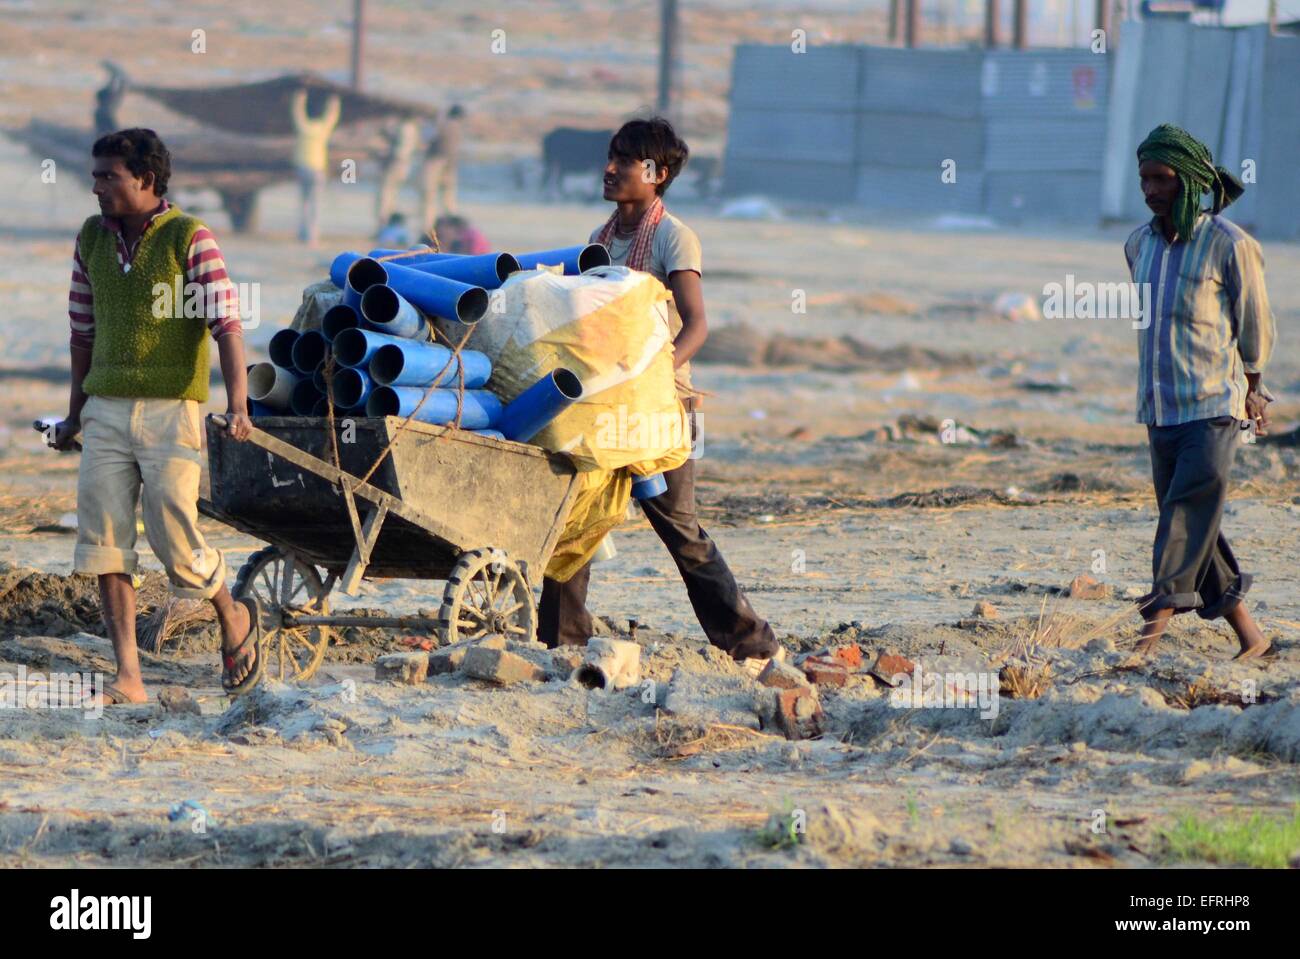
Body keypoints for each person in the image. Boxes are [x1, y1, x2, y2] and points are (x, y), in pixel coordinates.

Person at [537, 117, 783, 673]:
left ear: (657, 173)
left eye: (624, 161)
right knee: (574, 522)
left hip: (665, 409)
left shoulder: (675, 236)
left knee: (682, 531)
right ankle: (562, 645)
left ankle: (753, 642)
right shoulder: (600, 242)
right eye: (611, 156)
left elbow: (696, 325)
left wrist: (649, 378)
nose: (609, 169)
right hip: (606, 409)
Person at [53, 128, 260, 704]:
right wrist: (73, 415)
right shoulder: (91, 238)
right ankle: (128, 675)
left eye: (108, 176)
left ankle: (231, 613)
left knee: (176, 536)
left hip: (173, 408)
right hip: (105, 409)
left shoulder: (190, 238)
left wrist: (237, 405)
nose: (95, 187)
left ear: (145, 180)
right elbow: (81, 331)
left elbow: (226, 324)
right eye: (95, 175)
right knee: (104, 542)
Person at [1127, 124, 1276, 660]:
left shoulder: (1231, 245)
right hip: (1159, 409)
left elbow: (1254, 320)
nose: (1150, 190)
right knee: (1197, 524)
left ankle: (1149, 640)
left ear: (1188, 180)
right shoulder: (1137, 245)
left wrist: (1254, 383)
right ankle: (1252, 639)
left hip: (1214, 406)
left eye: (1161, 178)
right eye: (1144, 178)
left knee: (1184, 514)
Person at [290, 87, 341, 246]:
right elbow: (332, 117)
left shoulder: (304, 128)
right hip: (317, 169)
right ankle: (312, 237)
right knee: (315, 204)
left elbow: (297, 114)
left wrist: (299, 98)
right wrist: (334, 102)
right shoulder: (323, 129)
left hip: (302, 168)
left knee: (304, 202)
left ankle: (302, 234)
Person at [420, 104, 463, 232]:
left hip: (435, 161)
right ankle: (453, 228)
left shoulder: (442, 125)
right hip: (451, 164)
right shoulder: (458, 127)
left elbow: (427, 139)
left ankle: (428, 228)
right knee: (448, 199)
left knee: (428, 196)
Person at [375, 118, 419, 230]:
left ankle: (383, 225)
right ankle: (388, 224)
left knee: (386, 195)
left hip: (396, 163)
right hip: (404, 165)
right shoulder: (412, 128)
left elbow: (398, 149)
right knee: (392, 195)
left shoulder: (404, 128)